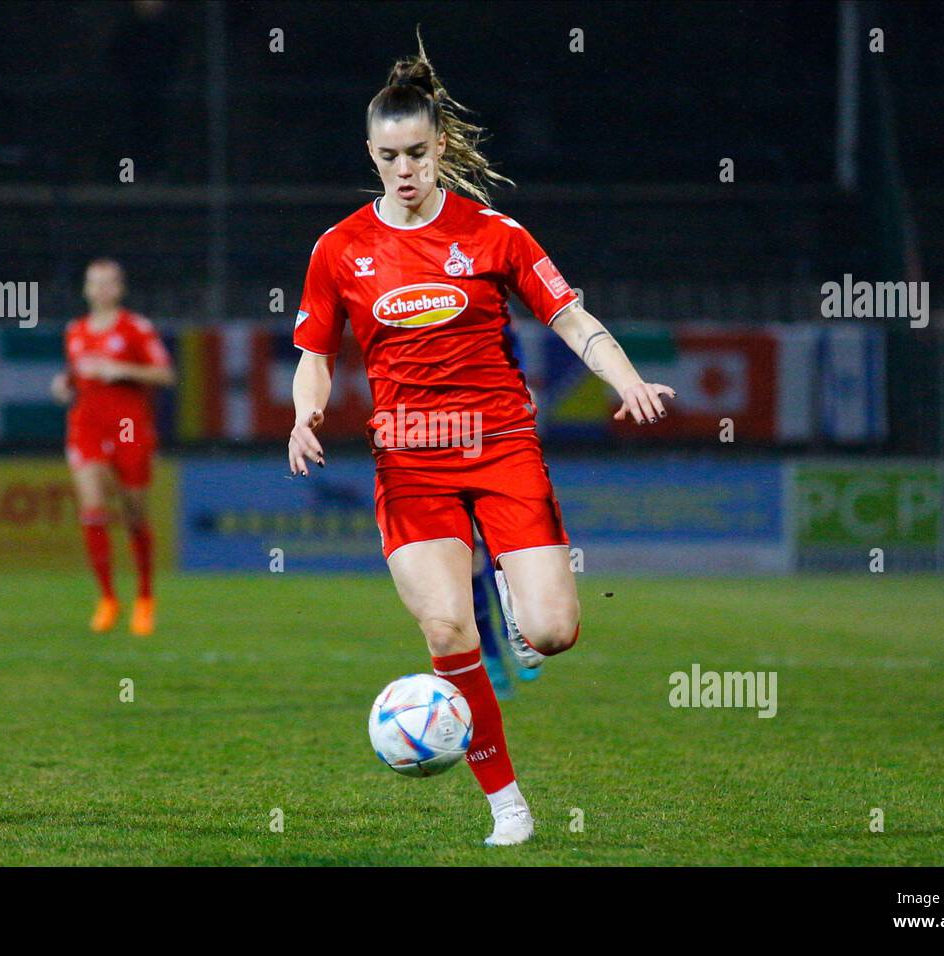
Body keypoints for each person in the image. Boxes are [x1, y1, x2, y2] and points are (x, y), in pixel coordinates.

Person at [287, 35, 674, 846]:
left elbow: (569, 316)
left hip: (500, 446)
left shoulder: (494, 233)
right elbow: (314, 355)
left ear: (440, 147)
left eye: (418, 153)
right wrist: (304, 414)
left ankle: (511, 589)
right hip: (407, 458)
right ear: (370, 152)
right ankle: (508, 804)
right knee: (445, 632)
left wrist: (624, 377)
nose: (404, 169)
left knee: (554, 634)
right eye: (389, 155)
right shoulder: (340, 249)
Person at [51, 259, 175, 637]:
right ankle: (107, 598)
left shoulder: (135, 328)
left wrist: (120, 370)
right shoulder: (75, 331)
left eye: (109, 283)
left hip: (129, 427)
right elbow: (77, 375)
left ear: (119, 289)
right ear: (86, 289)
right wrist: (64, 385)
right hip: (86, 425)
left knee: (134, 512)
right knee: (92, 506)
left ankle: (145, 598)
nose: (102, 290)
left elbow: (165, 374)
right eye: (95, 283)